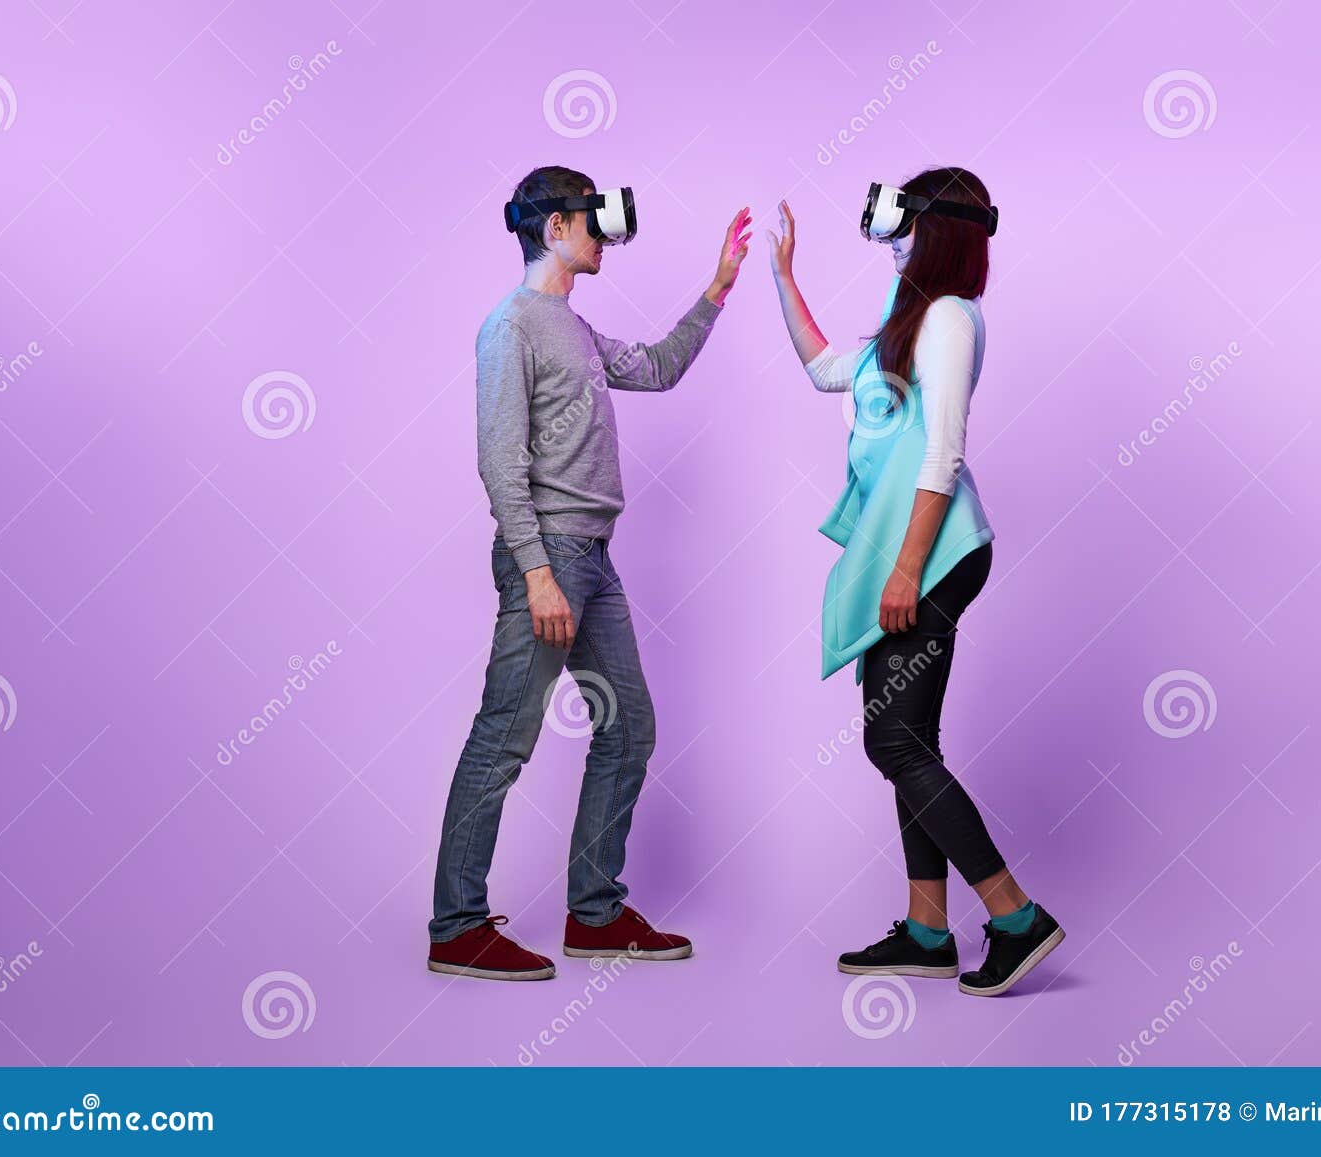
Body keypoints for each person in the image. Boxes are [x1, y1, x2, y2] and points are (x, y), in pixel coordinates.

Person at [428, 165, 751, 980]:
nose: (603, 234)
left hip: (593, 562)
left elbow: (657, 366)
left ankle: (595, 912)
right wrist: (536, 572)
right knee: (504, 738)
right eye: (590, 221)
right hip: (552, 559)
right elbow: (500, 462)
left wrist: (716, 287)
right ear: (553, 230)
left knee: (628, 726)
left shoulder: (572, 326)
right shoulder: (511, 327)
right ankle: (456, 926)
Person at [768, 167, 1065, 996]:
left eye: (905, 224)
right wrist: (786, 278)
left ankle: (1015, 917)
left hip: (934, 552)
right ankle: (929, 930)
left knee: (889, 740)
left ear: (937, 232)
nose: (890, 239)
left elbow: (944, 450)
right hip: (913, 549)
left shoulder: (948, 320)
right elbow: (827, 367)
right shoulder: (909, 325)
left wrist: (905, 568)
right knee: (912, 744)